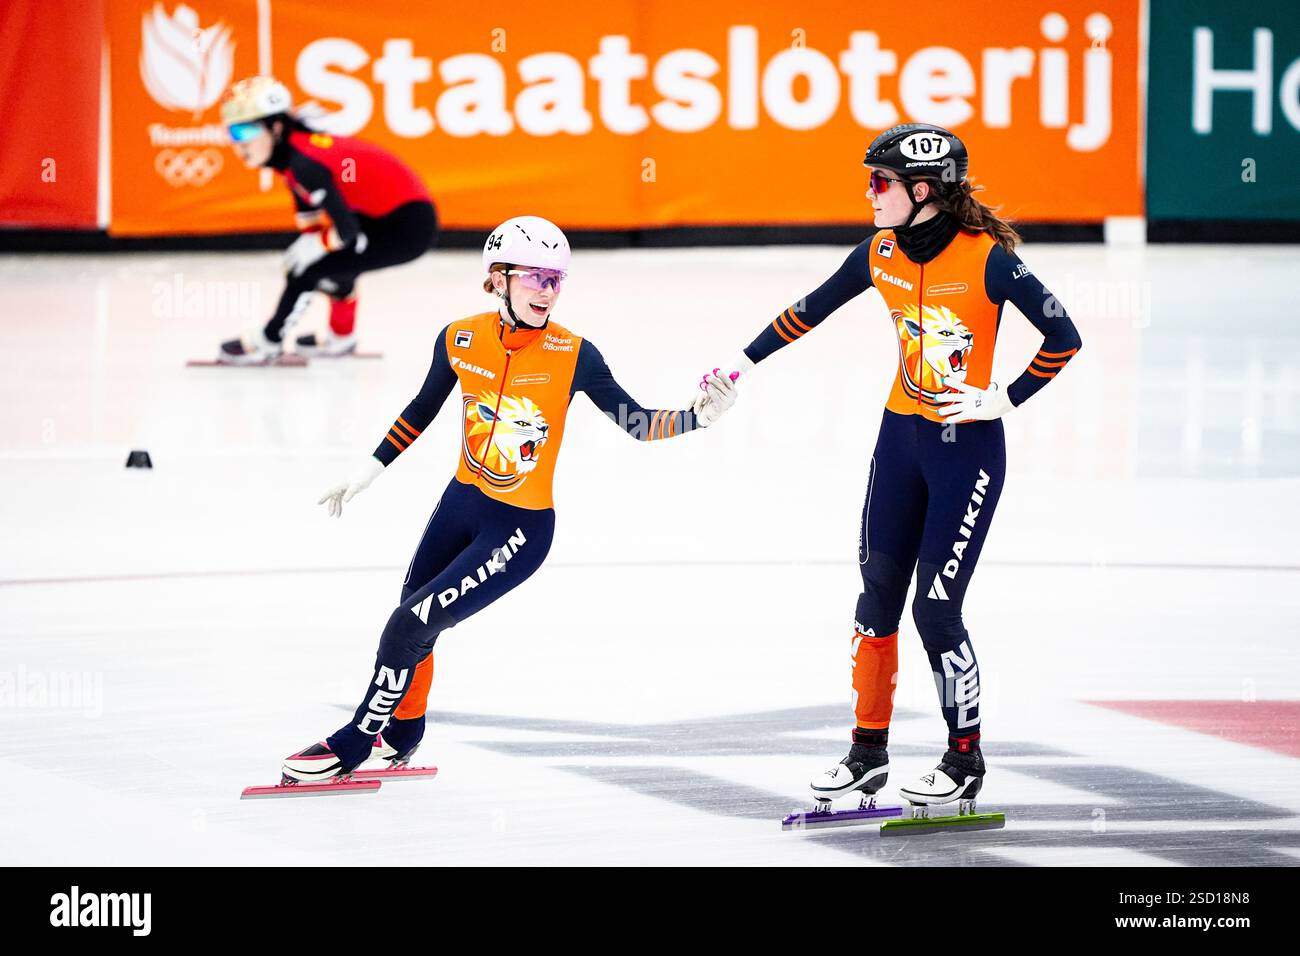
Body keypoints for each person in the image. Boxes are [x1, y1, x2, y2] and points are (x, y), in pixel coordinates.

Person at [696, 123, 1082, 812]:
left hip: (965, 451)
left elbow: (1065, 334)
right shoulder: (879, 251)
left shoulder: (991, 259)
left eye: (880, 182)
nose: (868, 194)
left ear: (924, 190)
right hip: (899, 438)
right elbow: (806, 311)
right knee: (876, 599)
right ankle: (868, 752)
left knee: (936, 609)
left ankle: (964, 759)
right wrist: (739, 365)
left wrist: (1005, 397)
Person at [281, 216, 739, 782]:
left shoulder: (576, 355)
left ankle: (353, 742)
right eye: (536, 277)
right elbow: (422, 409)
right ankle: (402, 733)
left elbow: (637, 423)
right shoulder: (459, 337)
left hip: (518, 528)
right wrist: (371, 468)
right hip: (460, 504)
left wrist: (696, 418)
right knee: (414, 622)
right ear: (497, 278)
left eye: (557, 279)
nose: (549, 290)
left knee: (407, 627)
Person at [217, 76, 437, 363]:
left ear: (276, 127)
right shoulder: (293, 156)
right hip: (387, 216)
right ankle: (340, 338)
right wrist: (314, 240)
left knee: (309, 270)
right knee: (332, 266)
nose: (238, 144)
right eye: (233, 133)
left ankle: (269, 341)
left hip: (406, 226)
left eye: (245, 131)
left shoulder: (303, 162)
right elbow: (317, 221)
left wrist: (316, 247)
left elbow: (345, 232)